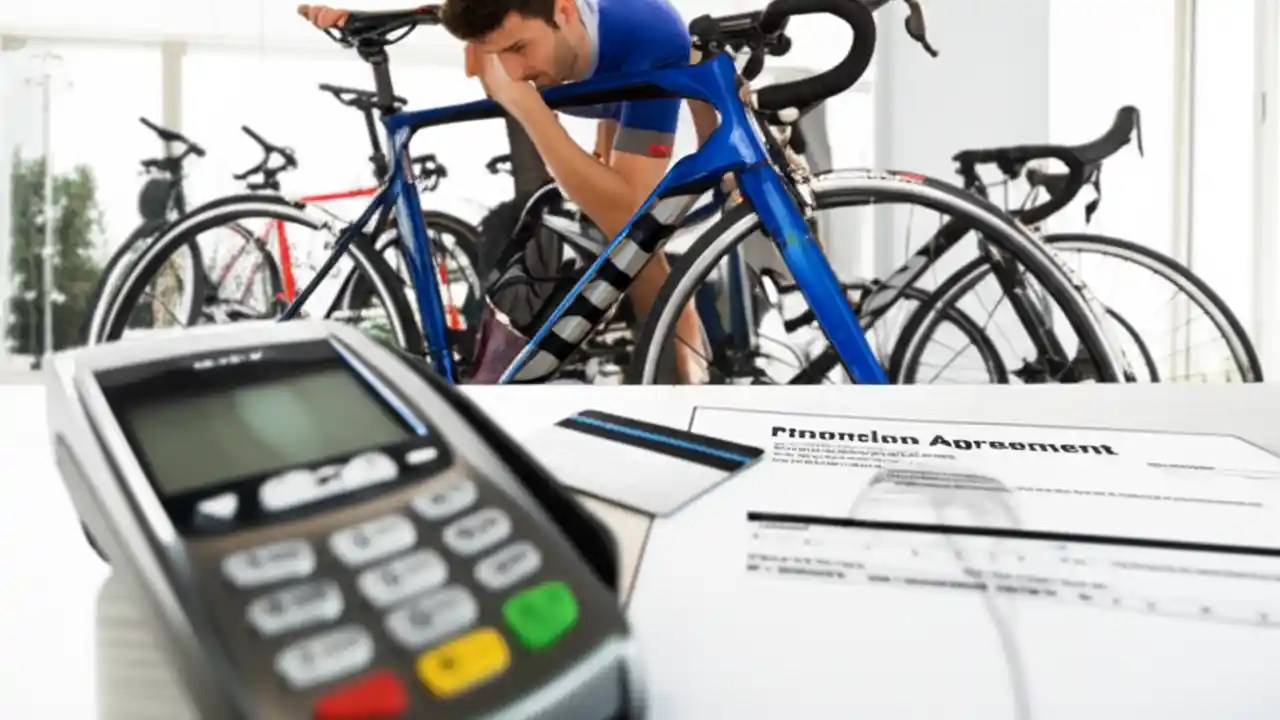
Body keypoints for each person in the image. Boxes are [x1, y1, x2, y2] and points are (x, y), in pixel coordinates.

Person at [298, 0, 714, 383]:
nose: (514, 72)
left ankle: (683, 376)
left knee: (635, 239)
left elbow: (631, 220)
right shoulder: (515, 35)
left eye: (519, 48)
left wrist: (527, 108)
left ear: (566, 11)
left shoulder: (649, 35)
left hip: (630, 65)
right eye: (499, 53)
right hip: (603, 73)